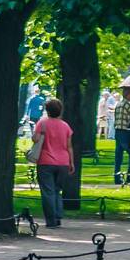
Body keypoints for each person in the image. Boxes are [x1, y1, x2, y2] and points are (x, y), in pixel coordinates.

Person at [32, 97, 74, 229]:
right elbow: (69, 146)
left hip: (45, 161)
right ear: (60, 110)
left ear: (47, 110)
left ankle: (50, 220)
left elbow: (35, 139)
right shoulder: (65, 126)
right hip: (63, 162)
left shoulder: (42, 123)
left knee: (48, 191)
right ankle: (57, 216)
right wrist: (71, 163)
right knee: (57, 191)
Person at [113, 86, 130, 186]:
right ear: (127, 94)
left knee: (119, 156)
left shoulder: (118, 104)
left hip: (117, 131)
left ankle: (117, 177)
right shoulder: (127, 105)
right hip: (125, 132)